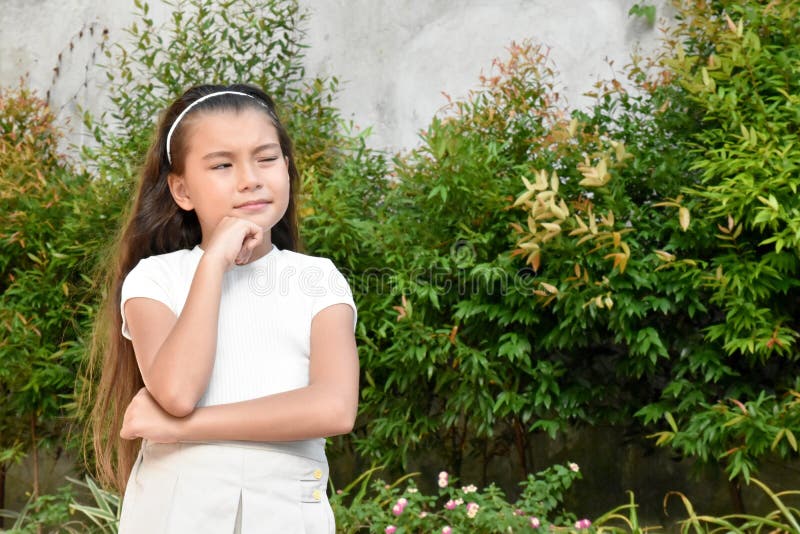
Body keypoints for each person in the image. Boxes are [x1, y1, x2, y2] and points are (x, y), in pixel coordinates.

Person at [85, 84, 359, 533]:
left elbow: (334, 408)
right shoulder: (154, 280)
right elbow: (176, 393)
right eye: (222, 165)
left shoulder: (317, 280)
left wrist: (184, 429)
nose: (250, 178)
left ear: (287, 170)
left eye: (266, 158)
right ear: (181, 189)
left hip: (287, 514)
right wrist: (213, 263)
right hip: (175, 514)